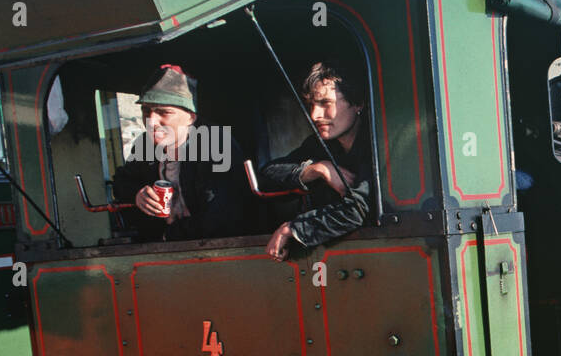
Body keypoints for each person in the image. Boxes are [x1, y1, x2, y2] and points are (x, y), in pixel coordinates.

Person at [112, 64, 250, 242]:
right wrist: (137, 194)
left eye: (164, 113)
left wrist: (166, 236)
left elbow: (220, 217)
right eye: (146, 111)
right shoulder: (145, 144)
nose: (151, 122)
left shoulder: (216, 144)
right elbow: (121, 182)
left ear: (190, 117)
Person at [261, 61, 372, 261]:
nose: (314, 115)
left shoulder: (375, 143)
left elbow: (357, 210)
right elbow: (268, 175)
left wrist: (292, 229)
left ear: (358, 103)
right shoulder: (320, 146)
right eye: (312, 105)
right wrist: (317, 169)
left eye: (325, 103)